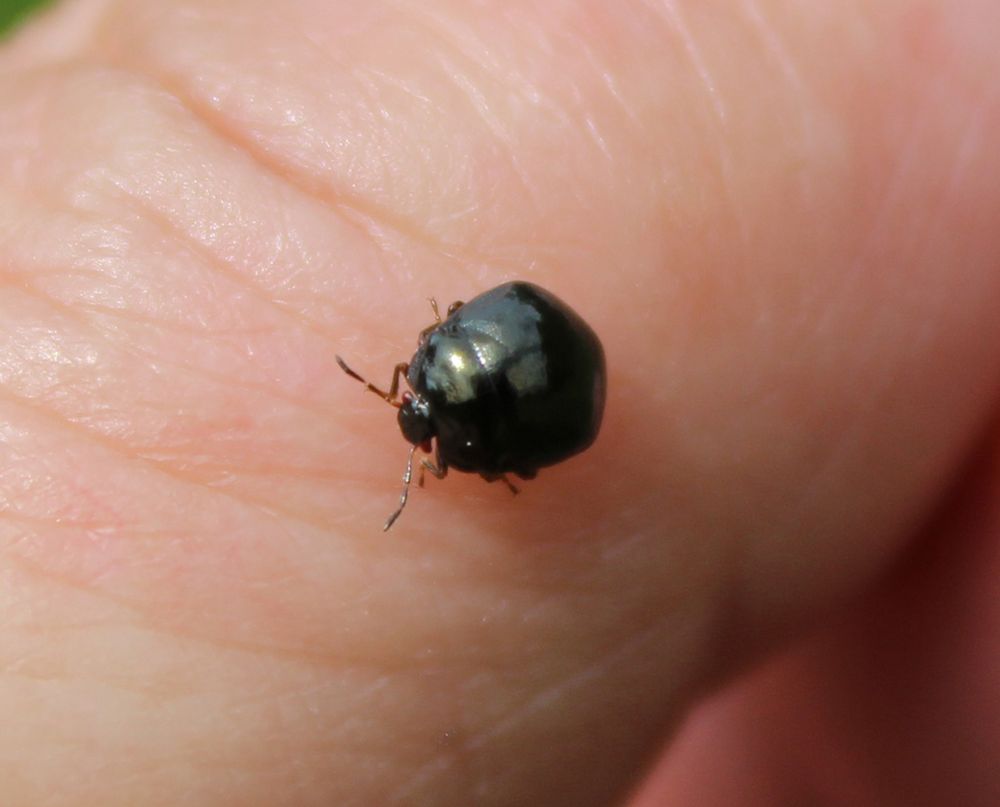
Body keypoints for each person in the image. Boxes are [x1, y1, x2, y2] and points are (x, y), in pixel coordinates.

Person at [1, 1, 998, 804]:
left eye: (415, 406)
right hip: (528, 357)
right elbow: (478, 362)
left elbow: (488, 402)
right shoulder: (451, 378)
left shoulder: (462, 409)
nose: (414, 409)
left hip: (538, 365)